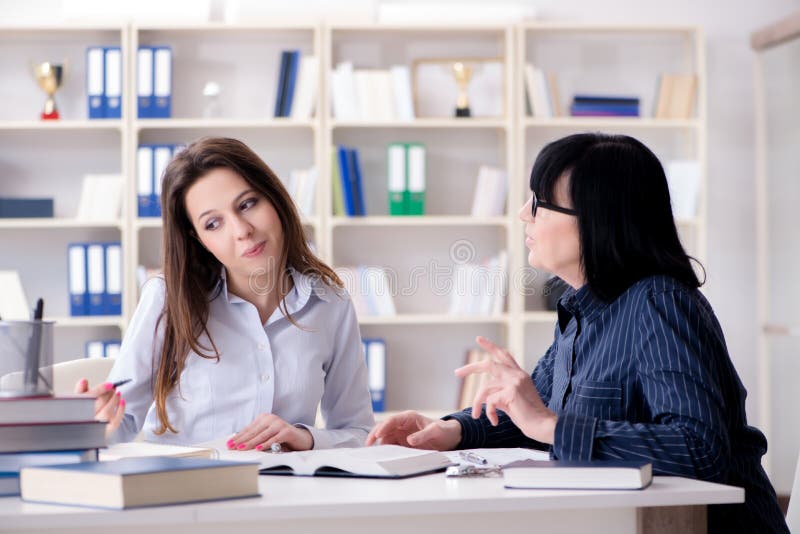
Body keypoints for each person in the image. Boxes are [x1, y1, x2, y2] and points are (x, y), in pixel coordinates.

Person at [367, 133, 788, 532]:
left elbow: (698, 449)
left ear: (596, 220)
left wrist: (550, 426)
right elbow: (534, 419)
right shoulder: (578, 309)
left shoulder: (658, 302)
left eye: (539, 203)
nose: (522, 214)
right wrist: (449, 431)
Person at [76, 136, 374, 451]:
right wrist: (88, 422)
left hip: (285, 489)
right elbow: (122, 423)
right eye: (214, 223)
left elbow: (357, 432)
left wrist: (306, 437)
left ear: (273, 198)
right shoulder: (168, 298)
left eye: (247, 204)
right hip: (187, 489)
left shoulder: (330, 303)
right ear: (198, 239)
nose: (242, 230)